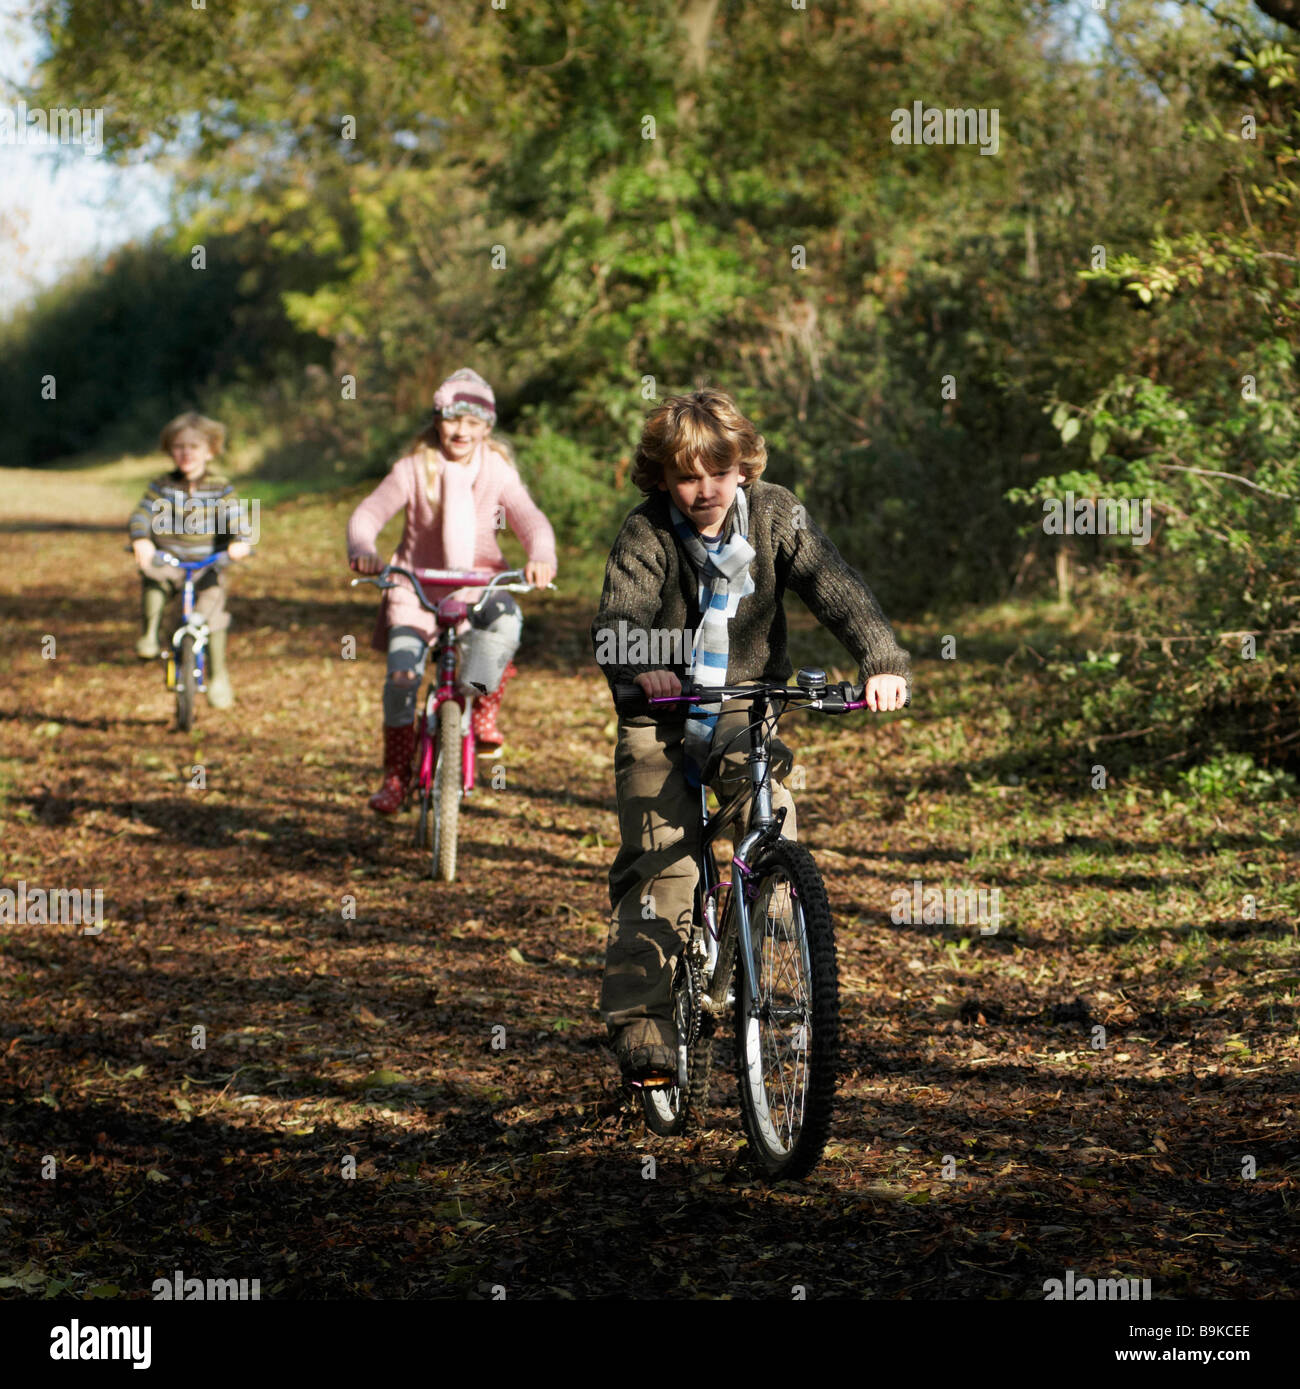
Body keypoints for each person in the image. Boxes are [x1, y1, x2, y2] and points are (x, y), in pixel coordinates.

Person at [590, 387, 912, 1083]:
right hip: (662, 718)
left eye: (717, 471)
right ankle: (643, 1023)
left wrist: (880, 661)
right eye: (685, 476)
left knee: (773, 822)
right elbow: (617, 619)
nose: (703, 489)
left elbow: (836, 587)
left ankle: (760, 923)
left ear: (743, 466)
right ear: (662, 478)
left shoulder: (775, 514)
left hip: (743, 702)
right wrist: (644, 666)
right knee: (664, 866)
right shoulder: (646, 533)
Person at [347, 368, 558, 813]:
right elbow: (368, 514)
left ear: (486, 427)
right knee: (401, 677)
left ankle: (481, 711)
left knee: (503, 625)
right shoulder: (412, 469)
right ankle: (396, 776)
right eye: (451, 419)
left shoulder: (496, 471)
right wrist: (364, 548)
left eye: (472, 421)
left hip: (479, 587)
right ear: (437, 421)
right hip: (415, 589)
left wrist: (540, 555)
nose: (461, 430)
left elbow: (531, 520)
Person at [127, 411, 251, 709]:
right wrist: (141, 538)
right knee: (153, 579)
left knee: (215, 607)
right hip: (168, 559)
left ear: (210, 451)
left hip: (207, 563)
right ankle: (149, 634)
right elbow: (142, 514)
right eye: (179, 447)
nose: (186, 453)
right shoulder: (162, 486)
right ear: (170, 450)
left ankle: (218, 676)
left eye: (193, 447)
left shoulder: (220, 486)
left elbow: (237, 515)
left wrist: (240, 541)